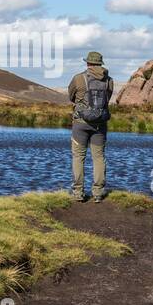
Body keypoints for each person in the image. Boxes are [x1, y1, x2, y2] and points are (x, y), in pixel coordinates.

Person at [68, 50, 113, 201]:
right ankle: (98, 193)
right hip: (100, 124)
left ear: (87, 63)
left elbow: (71, 96)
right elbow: (108, 98)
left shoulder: (78, 78)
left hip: (80, 124)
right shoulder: (109, 81)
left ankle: (78, 193)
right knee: (99, 157)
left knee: (78, 157)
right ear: (100, 63)